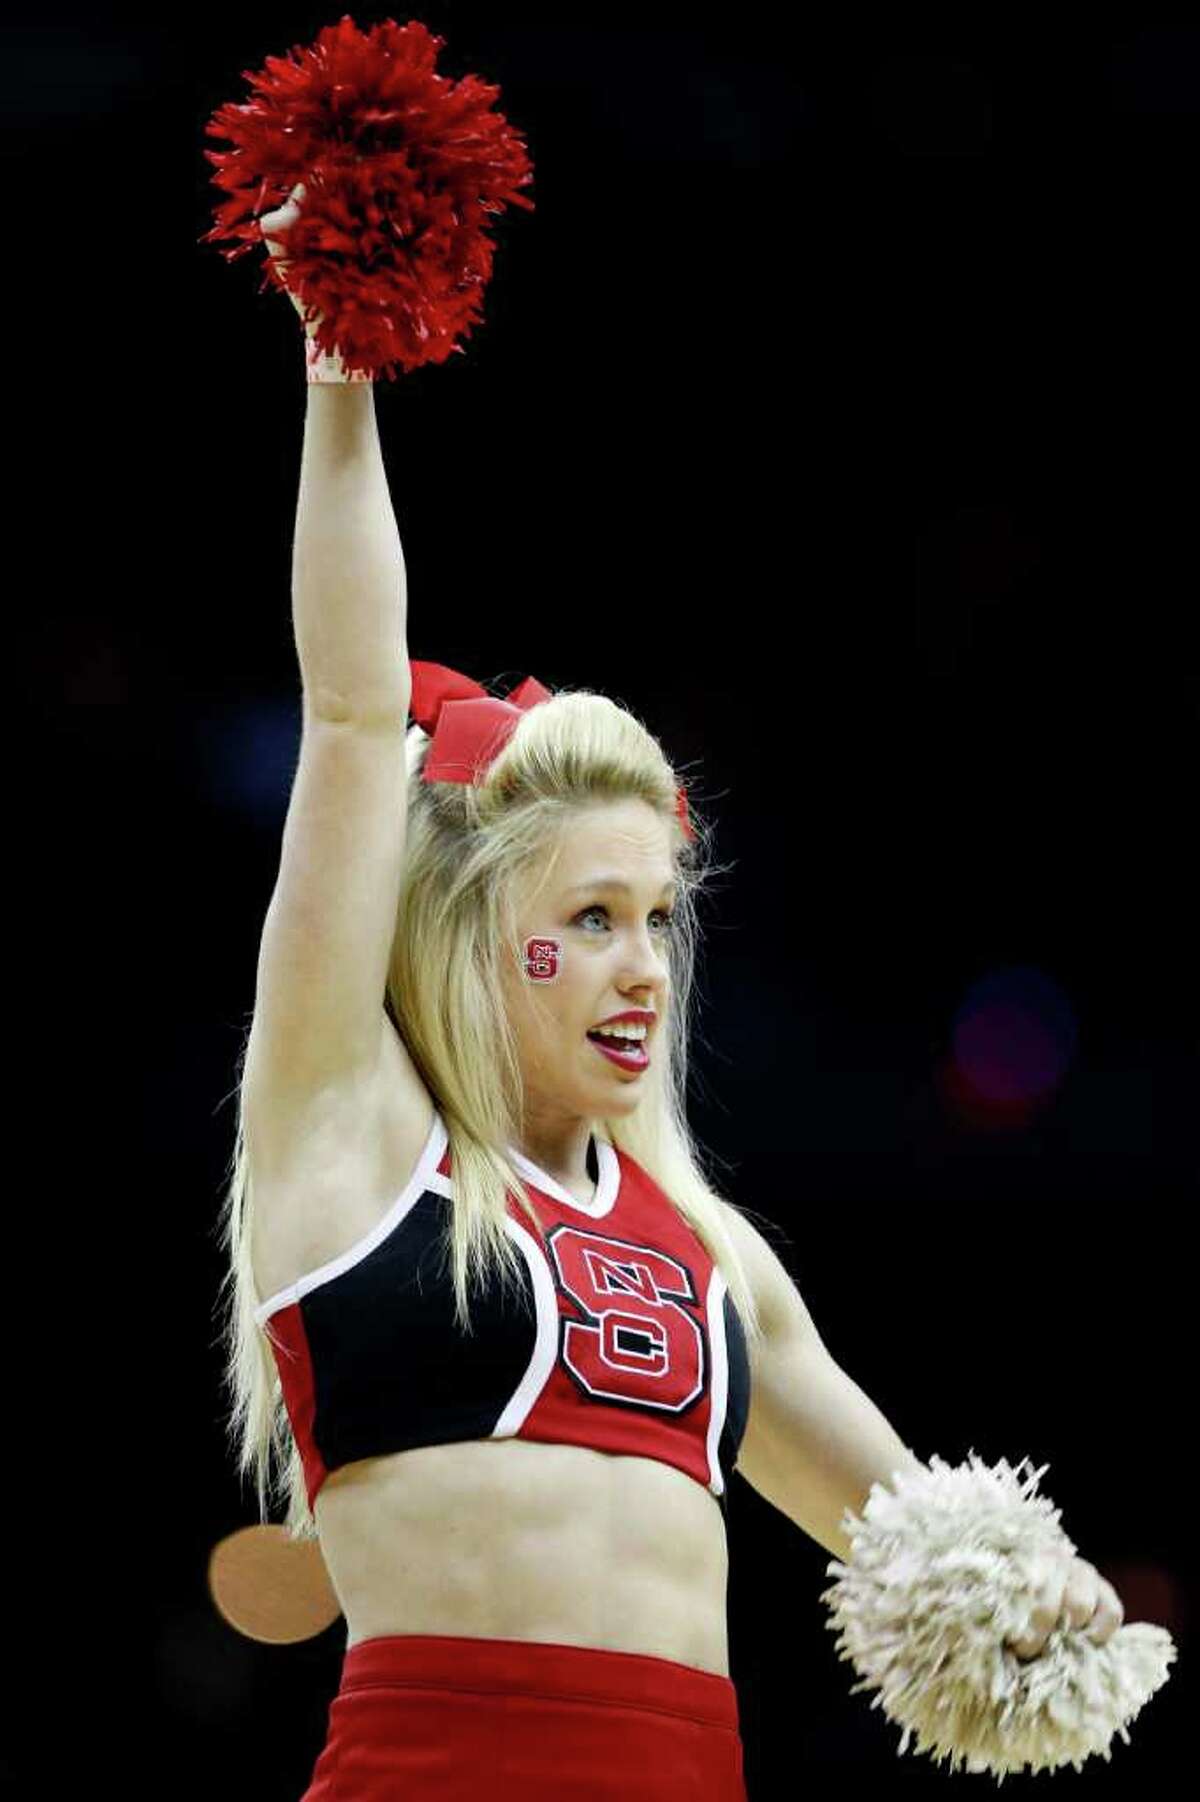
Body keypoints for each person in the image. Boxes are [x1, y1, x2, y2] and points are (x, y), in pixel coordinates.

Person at [218, 190, 1119, 1800]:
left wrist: (1045, 1592)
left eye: (659, 918)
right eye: (592, 916)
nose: (646, 964)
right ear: (473, 936)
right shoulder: (349, 1144)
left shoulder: (706, 1249)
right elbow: (355, 712)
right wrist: (338, 372)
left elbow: (914, 1530)